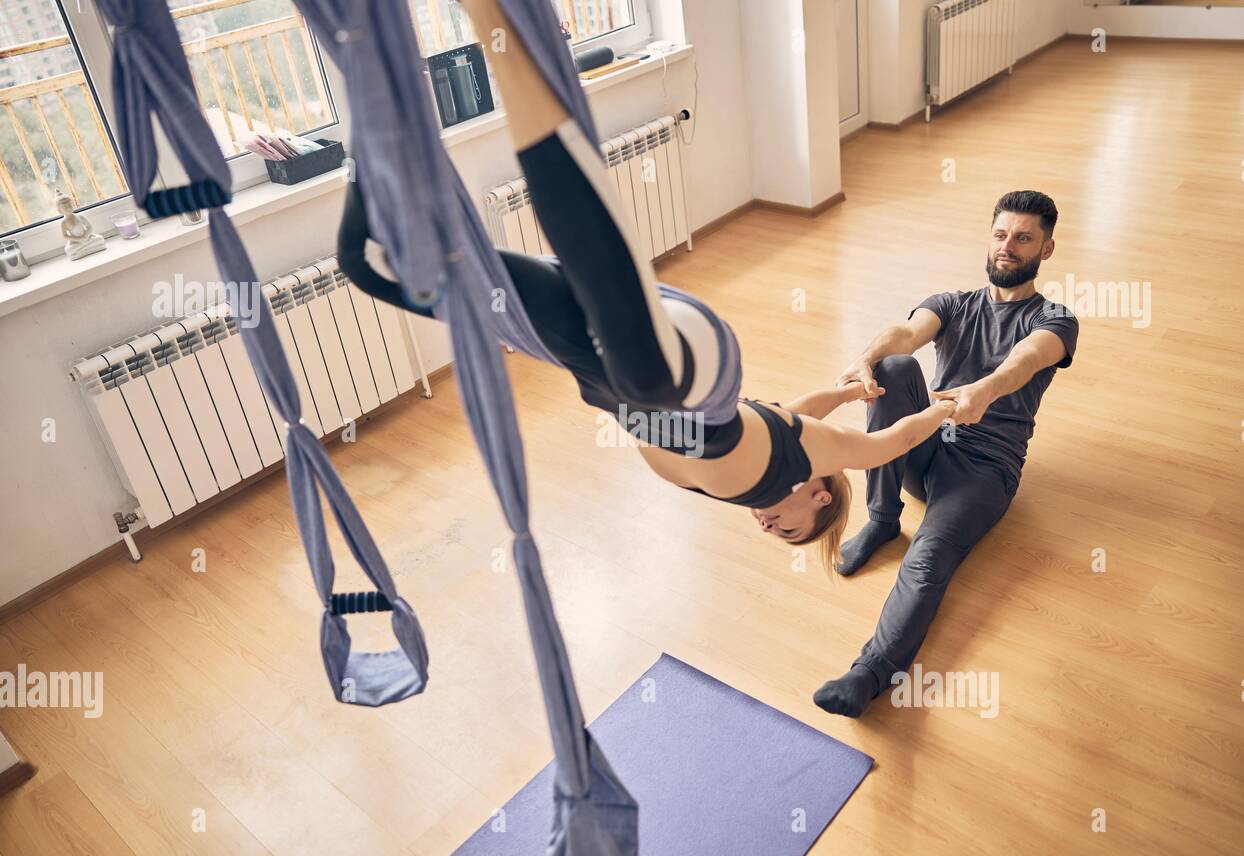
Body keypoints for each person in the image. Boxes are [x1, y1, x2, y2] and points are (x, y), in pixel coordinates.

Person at [339, 0, 958, 570]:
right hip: (687, 367)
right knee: (641, 368)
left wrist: (842, 392)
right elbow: (892, 439)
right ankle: (503, 26)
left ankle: (370, 61)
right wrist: (949, 406)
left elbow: (791, 414)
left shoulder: (789, 450)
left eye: (777, 537)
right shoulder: (819, 460)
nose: (771, 530)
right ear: (819, 496)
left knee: (372, 263)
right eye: (795, 531)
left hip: (589, 360)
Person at [813, 189, 1080, 717]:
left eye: (1024, 238)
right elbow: (907, 333)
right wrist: (864, 359)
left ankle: (869, 673)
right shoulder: (954, 302)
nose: (1009, 247)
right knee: (892, 370)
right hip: (927, 438)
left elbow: (1023, 364)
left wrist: (983, 390)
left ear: (1046, 250)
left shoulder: (1055, 320)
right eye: (1001, 235)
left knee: (929, 558)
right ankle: (883, 519)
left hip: (984, 469)